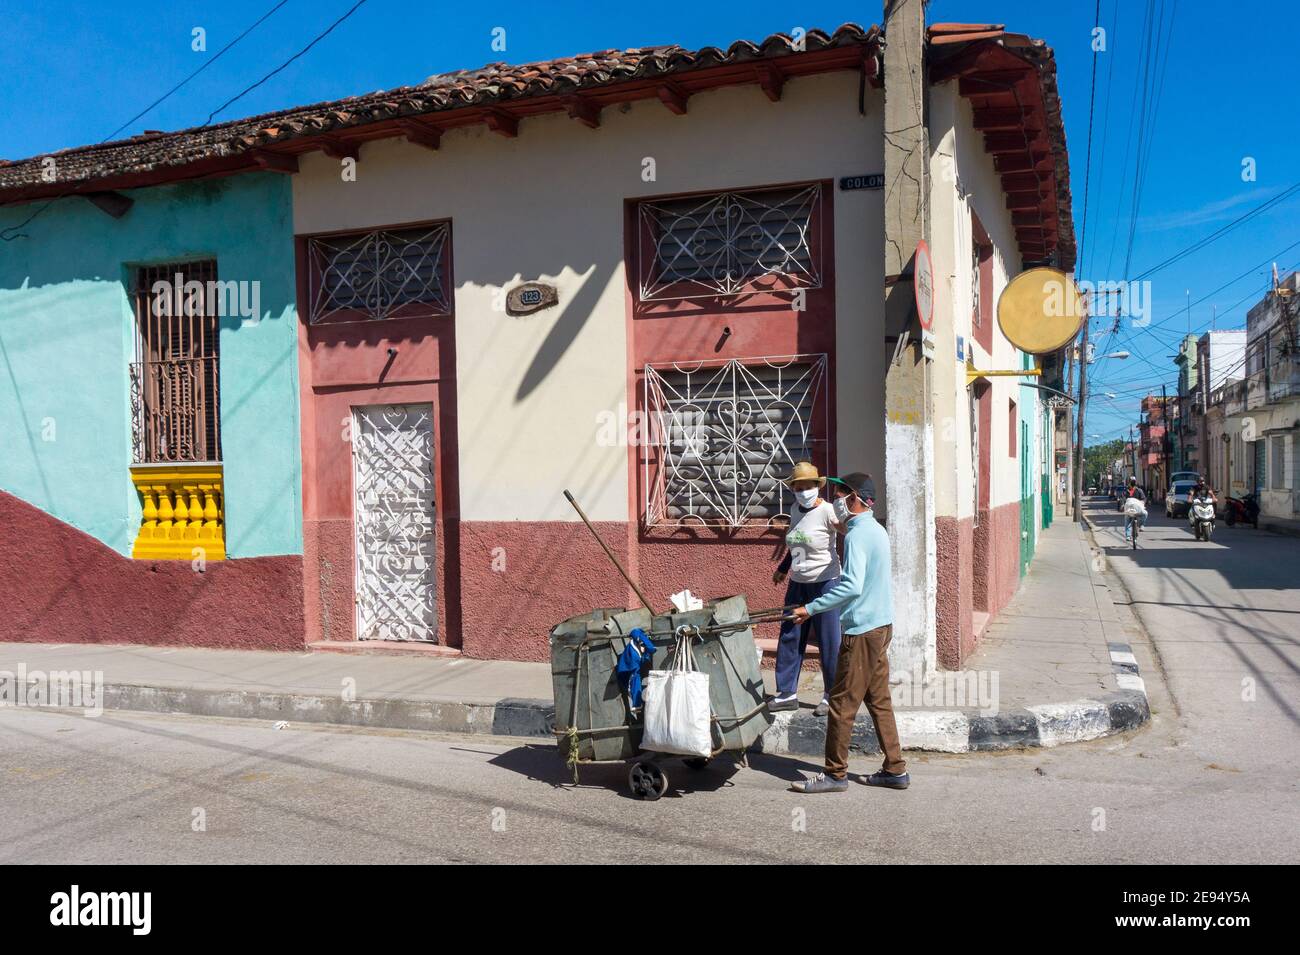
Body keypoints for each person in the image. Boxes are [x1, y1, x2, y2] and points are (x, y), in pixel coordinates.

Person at [789, 472, 908, 794]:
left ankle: (834, 774)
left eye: (840, 495)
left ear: (854, 498)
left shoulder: (856, 535)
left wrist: (811, 608)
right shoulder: (876, 529)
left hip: (862, 631)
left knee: (841, 704)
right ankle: (895, 769)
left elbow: (852, 584)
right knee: (879, 700)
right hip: (881, 626)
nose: (836, 501)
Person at [768, 461, 842, 717]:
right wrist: (783, 568)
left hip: (825, 582)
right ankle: (787, 692)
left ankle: (831, 695)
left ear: (817, 487)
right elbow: (796, 542)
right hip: (798, 583)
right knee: (790, 636)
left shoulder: (828, 511)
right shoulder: (794, 509)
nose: (803, 491)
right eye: (798, 487)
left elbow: (847, 533)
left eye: (808, 486)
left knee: (829, 640)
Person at [1121, 477, 1147, 542]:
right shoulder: (1126, 491)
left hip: (1137, 509)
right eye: (1131, 481)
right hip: (1129, 509)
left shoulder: (1139, 490)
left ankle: (1141, 525)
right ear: (1128, 482)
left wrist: (1143, 503)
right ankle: (1128, 536)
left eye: (1133, 481)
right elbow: (1123, 499)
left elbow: (1143, 498)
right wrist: (1122, 505)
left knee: (1145, 513)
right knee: (1127, 520)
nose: (1132, 483)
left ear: (1135, 482)